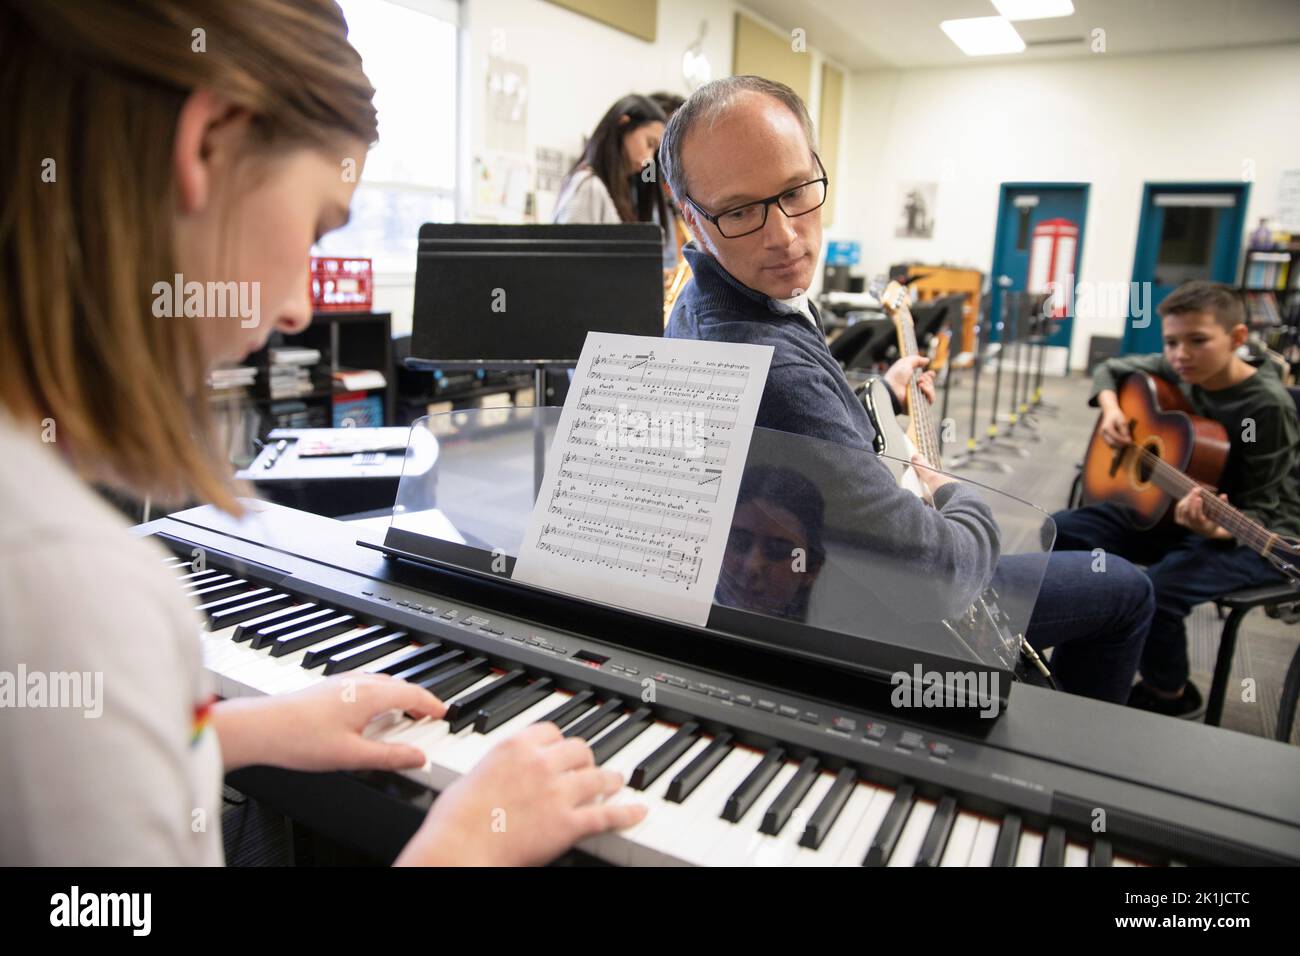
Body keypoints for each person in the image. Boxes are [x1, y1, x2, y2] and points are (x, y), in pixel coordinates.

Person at [0, 0, 643, 866]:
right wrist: (462, 847)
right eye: (314, 228)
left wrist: (241, 729)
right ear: (209, 141)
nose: (302, 303)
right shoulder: (66, 589)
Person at [659, 75, 1155, 705]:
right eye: (739, 210)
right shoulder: (771, 367)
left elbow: (800, 422)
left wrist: (881, 394)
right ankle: (1079, 766)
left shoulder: (704, 298)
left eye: (795, 192)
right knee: (1125, 585)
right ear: (691, 216)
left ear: (816, 167)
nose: (783, 234)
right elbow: (938, 577)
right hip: (875, 621)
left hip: (811, 577)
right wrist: (956, 494)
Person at [1051, 281, 1300, 718]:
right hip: (1175, 511)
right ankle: (1088, 646)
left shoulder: (1265, 407)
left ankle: (1171, 693)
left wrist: (1215, 527)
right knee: (1067, 527)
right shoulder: (1181, 369)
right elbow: (1112, 369)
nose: (1181, 354)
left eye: (1198, 341)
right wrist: (1112, 410)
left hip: (1257, 534)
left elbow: (1264, 505)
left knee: (1158, 590)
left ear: (1237, 339)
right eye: (1171, 341)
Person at [552, 93, 669, 234]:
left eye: (654, 150)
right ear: (623, 125)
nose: (649, 158)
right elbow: (571, 253)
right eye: (649, 143)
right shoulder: (589, 187)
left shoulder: (618, 189)